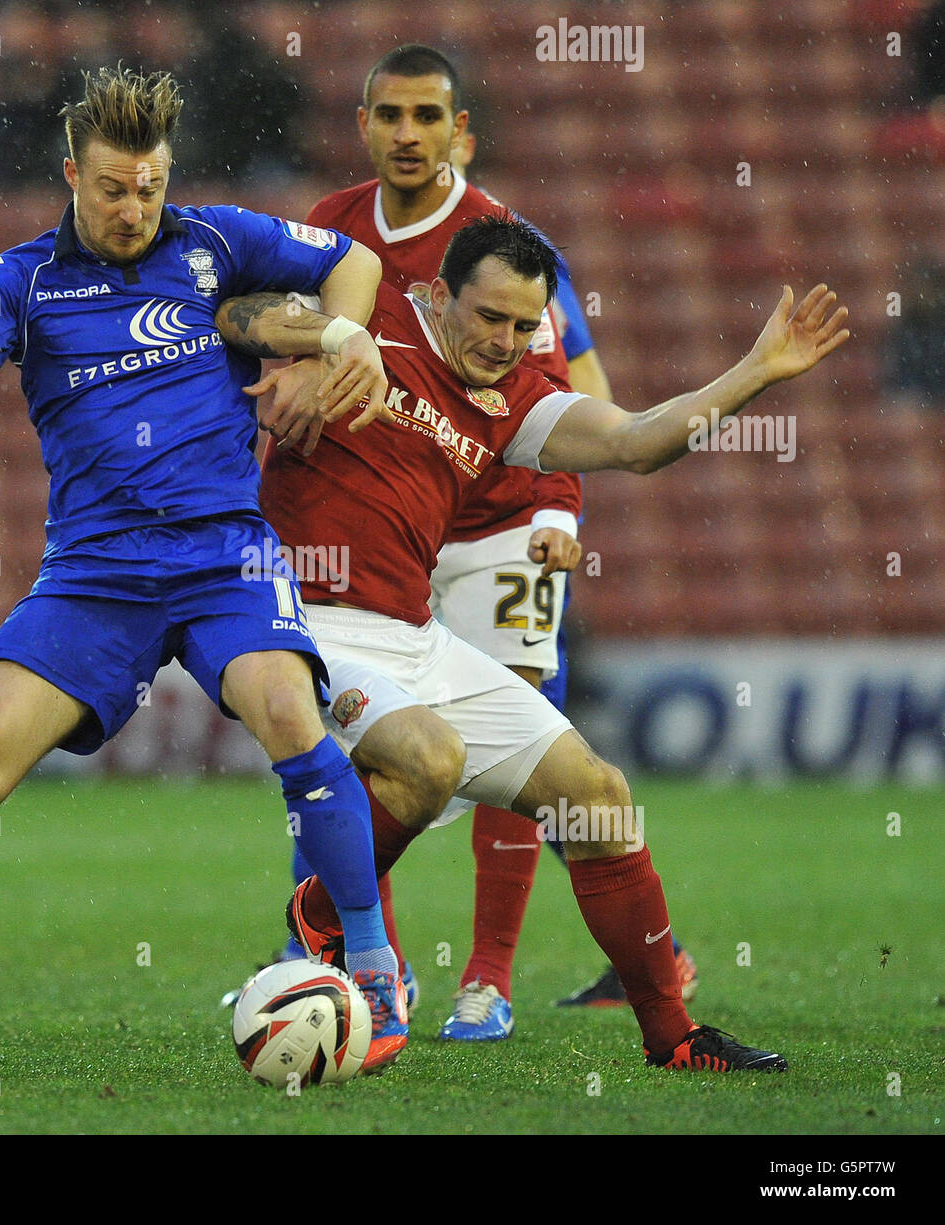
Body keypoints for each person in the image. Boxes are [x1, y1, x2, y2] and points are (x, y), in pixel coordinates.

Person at [0, 65, 411, 1080]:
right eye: (112, 188)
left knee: (292, 713)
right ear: (72, 172)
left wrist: (339, 349)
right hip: (96, 569)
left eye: (148, 187)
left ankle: (373, 969)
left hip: (220, 552)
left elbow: (353, 260)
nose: (133, 208)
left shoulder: (214, 242)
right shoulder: (21, 278)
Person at [217, 211, 848, 1071]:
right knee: (429, 761)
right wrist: (322, 341)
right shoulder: (372, 319)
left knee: (597, 795)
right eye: (489, 317)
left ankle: (674, 1038)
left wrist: (756, 371)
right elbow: (231, 312)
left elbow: (633, 440)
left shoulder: (511, 401)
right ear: (439, 295)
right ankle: (325, 916)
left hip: (415, 635)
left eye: (524, 325)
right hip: (304, 624)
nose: (506, 341)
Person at [265, 43, 694, 1039]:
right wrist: (291, 353)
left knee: (519, 732)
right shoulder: (327, 228)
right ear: (364, 125)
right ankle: (360, 960)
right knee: (356, 757)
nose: (408, 136)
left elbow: (571, 388)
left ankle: (488, 975)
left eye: (429, 118)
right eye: (390, 117)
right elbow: (255, 320)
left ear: (462, 131)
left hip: (502, 516)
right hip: (380, 536)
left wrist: (557, 510)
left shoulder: (503, 245)